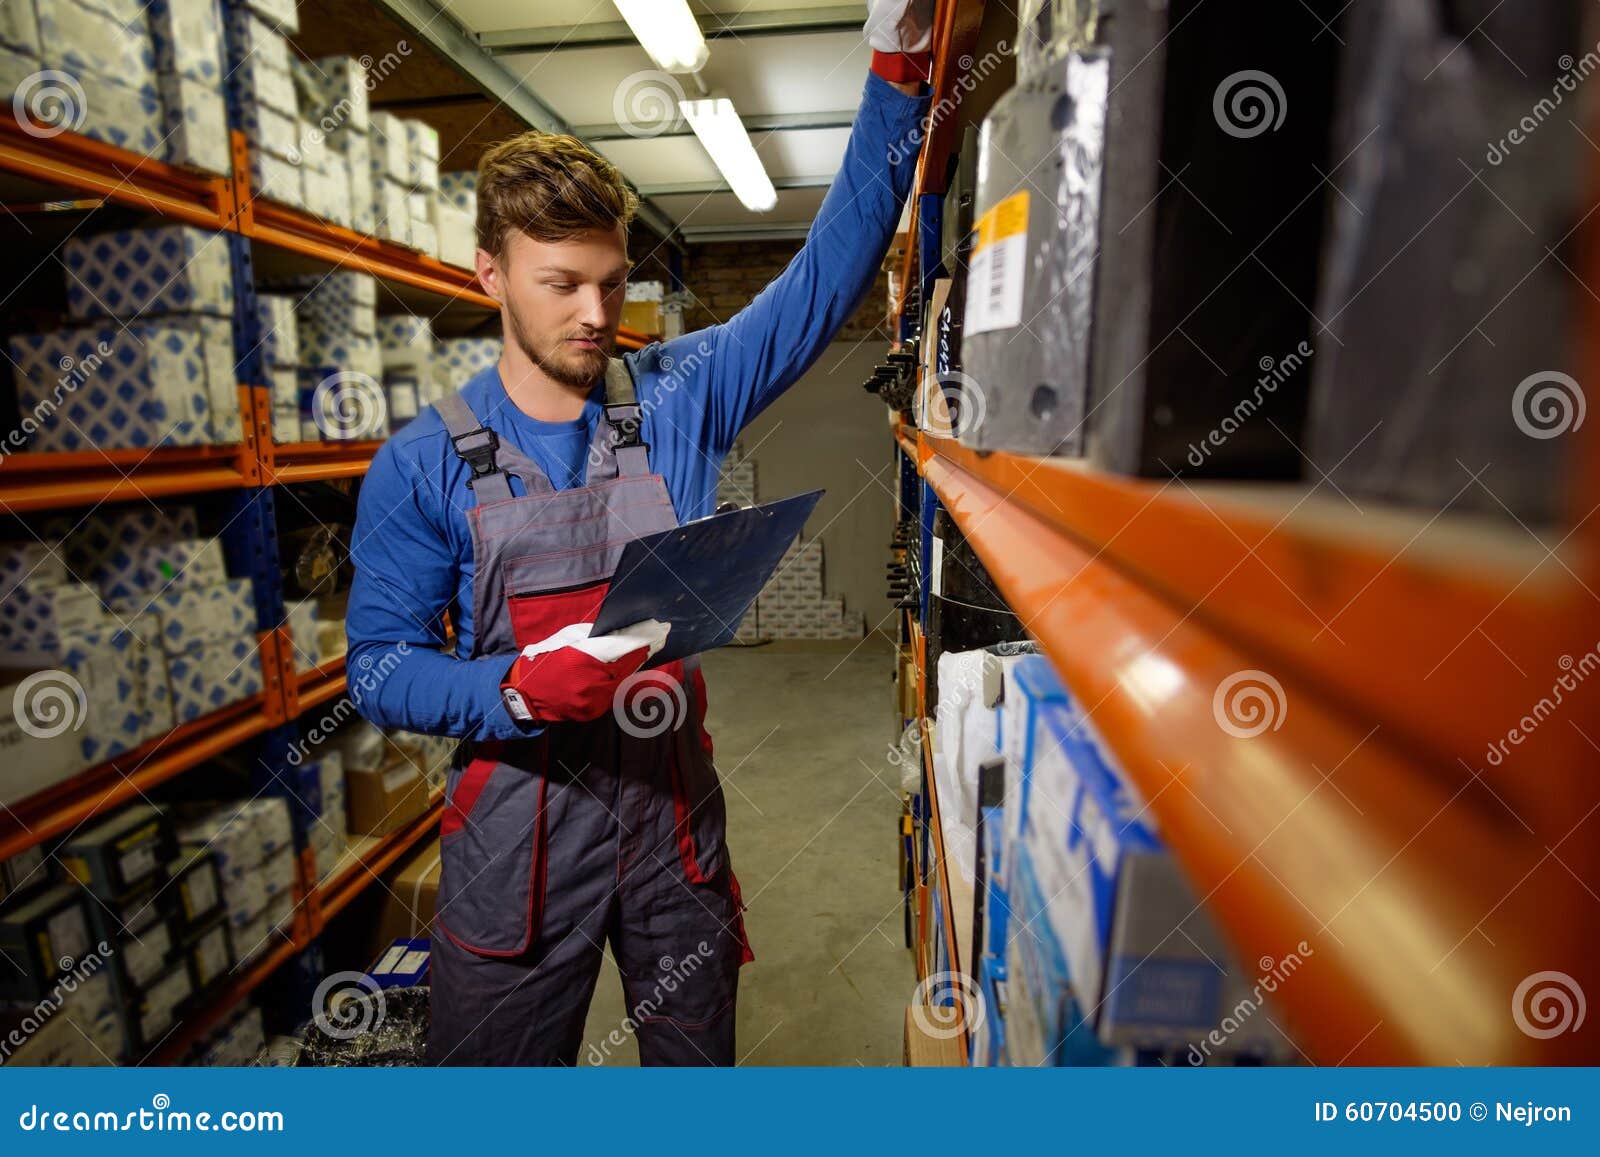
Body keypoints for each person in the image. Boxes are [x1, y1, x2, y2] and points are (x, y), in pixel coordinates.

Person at [346, 0, 936, 1066]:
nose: (593, 312)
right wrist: (513, 689)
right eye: (559, 283)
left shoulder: (676, 396)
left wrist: (894, 77)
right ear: (490, 276)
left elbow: (823, 280)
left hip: (668, 813)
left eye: (611, 282)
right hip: (518, 839)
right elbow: (379, 667)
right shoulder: (420, 461)